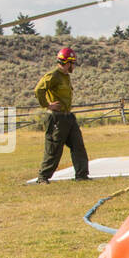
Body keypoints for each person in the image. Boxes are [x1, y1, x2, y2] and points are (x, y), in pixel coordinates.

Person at [34, 47, 89, 183]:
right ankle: (43, 177)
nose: (73, 66)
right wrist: (47, 105)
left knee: (78, 146)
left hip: (68, 117)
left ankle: (81, 175)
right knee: (54, 149)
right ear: (67, 62)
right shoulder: (53, 75)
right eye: (72, 63)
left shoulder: (65, 77)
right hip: (56, 118)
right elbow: (39, 89)